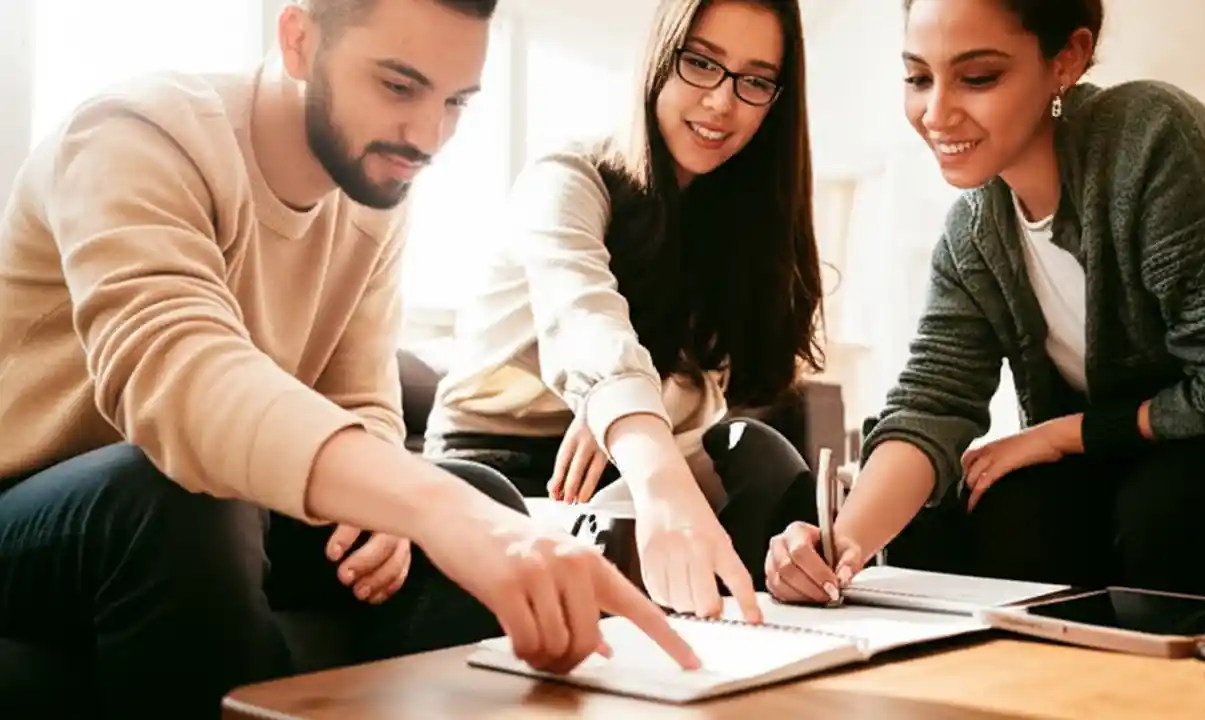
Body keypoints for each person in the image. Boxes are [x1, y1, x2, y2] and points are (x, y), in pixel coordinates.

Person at [0, 0, 696, 716]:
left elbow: (360, 399)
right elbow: (176, 374)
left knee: (479, 493)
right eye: (398, 86)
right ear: (299, 40)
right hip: (38, 513)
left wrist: (397, 512)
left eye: (455, 101)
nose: (428, 136)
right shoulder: (133, 133)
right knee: (179, 500)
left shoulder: (372, 188)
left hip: (232, 506)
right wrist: (431, 507)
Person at [765, 0, 1205, 605]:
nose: (936, 113)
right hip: (1135, 461)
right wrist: (835, 548)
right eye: (918, 78)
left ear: (1068, 59)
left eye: (978, 77)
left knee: (1172, 510)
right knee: (1007, 509)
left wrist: (1061, 434)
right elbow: (933, 400)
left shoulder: (1150, 141)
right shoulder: (973, 237)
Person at [426, 0, 825, 619]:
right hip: (507, 461)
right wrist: (623, 407)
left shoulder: (736, 219)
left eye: (754, 81)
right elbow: (583, 318)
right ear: (659, 61)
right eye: (701, 64)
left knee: (762, 454)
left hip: (635, 459)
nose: (722, 102)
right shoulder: (570, 175)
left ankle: (773, 623)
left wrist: (634, 409)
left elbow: (715, 389)